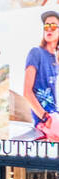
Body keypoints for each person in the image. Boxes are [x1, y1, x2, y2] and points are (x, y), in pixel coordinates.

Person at [24, 10, 59, 140]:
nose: (49, 28)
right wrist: (45, 117)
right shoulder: (36, 53)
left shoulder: (55, 60)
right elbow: (27, 92)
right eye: (46, 25)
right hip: (45, 121)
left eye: (53, 26)